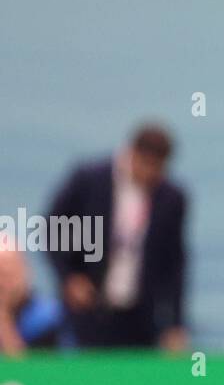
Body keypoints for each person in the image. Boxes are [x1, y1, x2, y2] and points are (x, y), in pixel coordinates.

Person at [45, 124, 188, 350]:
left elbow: (175, 263)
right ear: (132, 154)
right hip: (90, 309)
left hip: (141, 315)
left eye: (158, 168)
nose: (151, 174)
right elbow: (53, 226)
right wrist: (69, 277)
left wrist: (176, 323)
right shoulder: (89, 181)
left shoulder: (171, 198)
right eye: (147, 165)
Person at [0, 236, 63, 355]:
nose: (4, 283)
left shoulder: (47, 317)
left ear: (26, 271)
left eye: (9, 273)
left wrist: (3, 319)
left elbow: (28, 369)